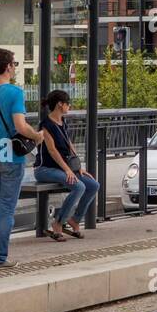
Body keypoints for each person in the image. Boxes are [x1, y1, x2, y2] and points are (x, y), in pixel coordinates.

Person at [0, 48, 44, 269]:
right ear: (7, 67)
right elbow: (20, 126)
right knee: (6, 209)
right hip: (11, 159)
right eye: (14, 64)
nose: (15, 68)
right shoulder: (15, 93)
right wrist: (37, 136)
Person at [34, 89, 99, 239]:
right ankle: (58, 222)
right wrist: (68, 170)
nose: (69, 106)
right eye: (67, 103)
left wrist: (78, 168)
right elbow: (52, 151)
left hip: (63, 168)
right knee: (79, 186)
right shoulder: (45, 125)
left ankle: (75, 220)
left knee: (93, 185)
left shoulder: (63, 122)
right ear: (60, 104)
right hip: (45, 169)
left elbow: (69, 144)